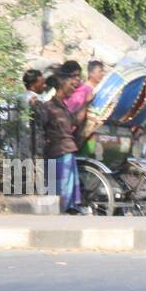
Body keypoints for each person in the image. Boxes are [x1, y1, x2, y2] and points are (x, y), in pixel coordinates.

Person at [40, 71, 86, 214]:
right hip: (57, 149)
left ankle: (65, 209)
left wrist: (86, 103)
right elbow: (41, 128)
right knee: (60, 186)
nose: (73, 89)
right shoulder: (48, 106)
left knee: (65, 185)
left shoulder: (63, 107)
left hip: (66, 149)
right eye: (71, 86)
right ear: (61, 86)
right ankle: (60, 209)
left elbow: (75, 121)